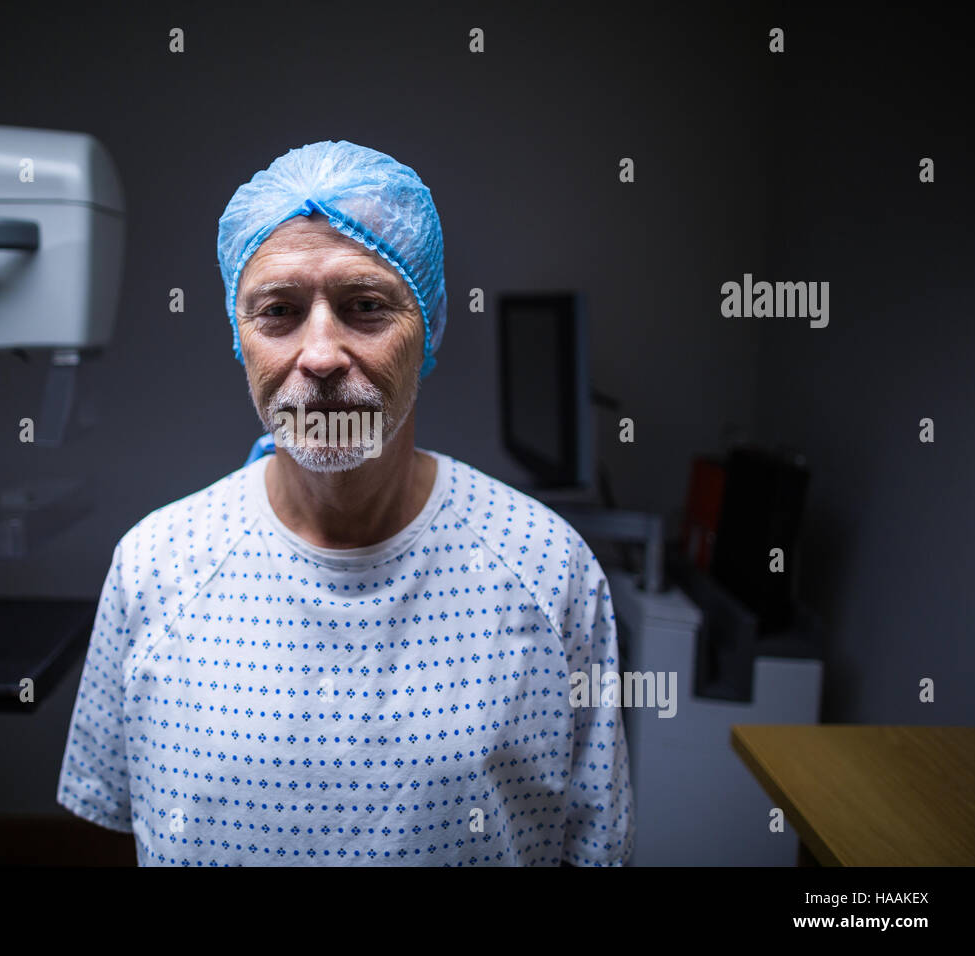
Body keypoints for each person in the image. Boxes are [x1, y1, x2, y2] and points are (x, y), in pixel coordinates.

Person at [56, 140, 633, 866]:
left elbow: (593, 848)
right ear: (240, 336)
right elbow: (113, 825)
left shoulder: (549, 571)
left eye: (364, 306)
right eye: (280, 311)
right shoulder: (153, 568)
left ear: (427, 324)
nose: (321, 354)